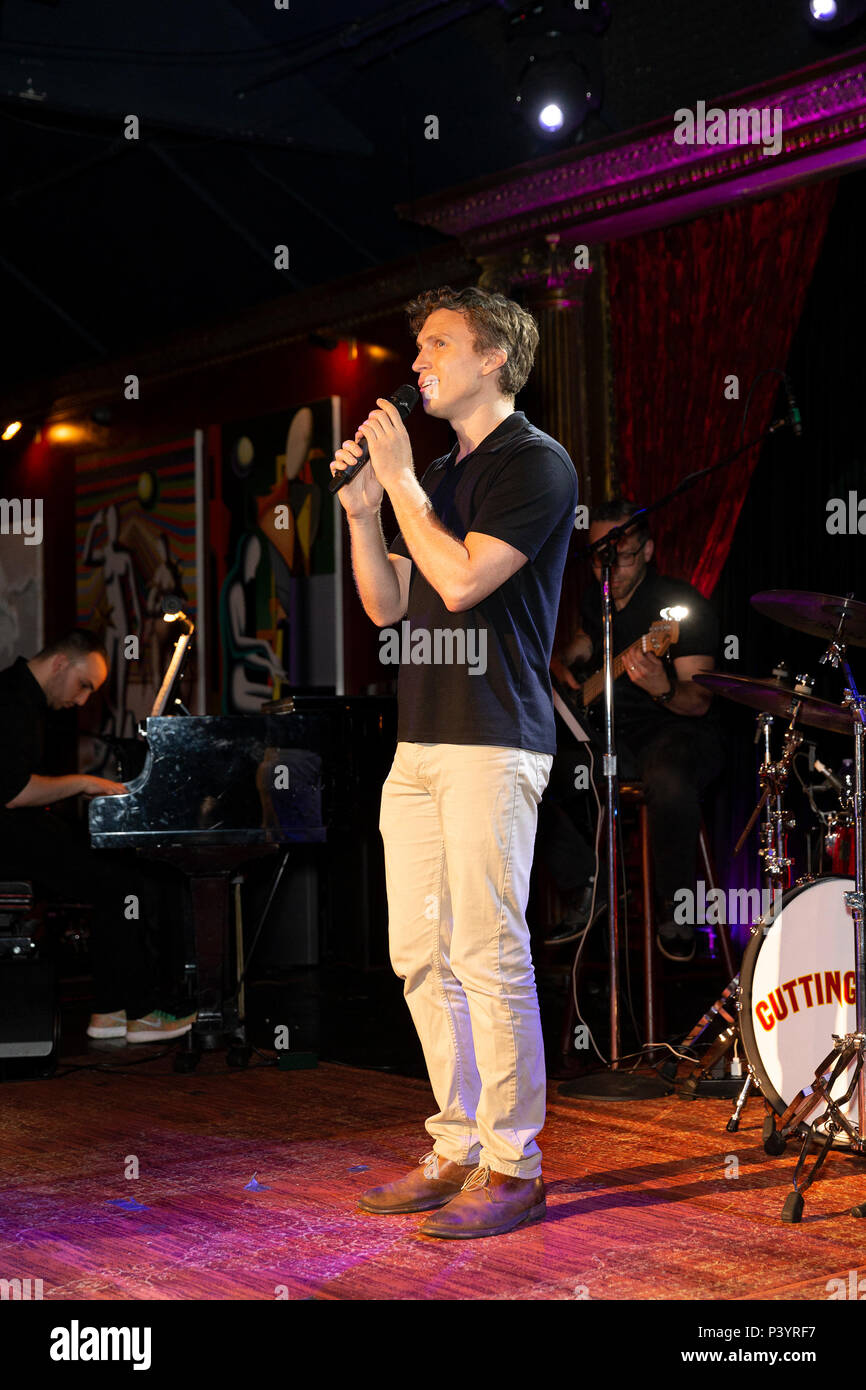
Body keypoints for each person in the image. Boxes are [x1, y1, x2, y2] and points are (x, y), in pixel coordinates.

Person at [330, 285, 578, 1239]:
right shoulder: (434, 470)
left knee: (486, 949)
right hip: (422, 739)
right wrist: (364, 512)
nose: (417, 360)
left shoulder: (536, 465)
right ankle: (458, 1142)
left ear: (493, 361)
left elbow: (466, 578)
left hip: (494, 739)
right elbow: (394, 603)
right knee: (421, 955)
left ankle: (516, 1163)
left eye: (437, 344)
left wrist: (399, 484)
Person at [545, 499, 724, 961]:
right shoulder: (595, 602)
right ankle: (591, 882)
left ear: (646, 550)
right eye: (600, 557)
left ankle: (676, 908)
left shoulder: (679, 608)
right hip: (608, 738)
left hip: (672, 732)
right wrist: (565, 662)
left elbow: (699, 700)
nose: (610, 568)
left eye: (621, 554)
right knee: (526, 776)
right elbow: (584, 643)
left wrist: (663, 690)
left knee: (666, 775)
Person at [0, 629, 195, 1042]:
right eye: (83, 685)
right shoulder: (11, 701)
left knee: (118, 874)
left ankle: (110, 1011)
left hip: (16, 831)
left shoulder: (23, 699)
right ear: (59, 664)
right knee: (123, 885)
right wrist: (86, 783)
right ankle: (136, 1012)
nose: (84, 700)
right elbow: (14, 793)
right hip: (7, 836)